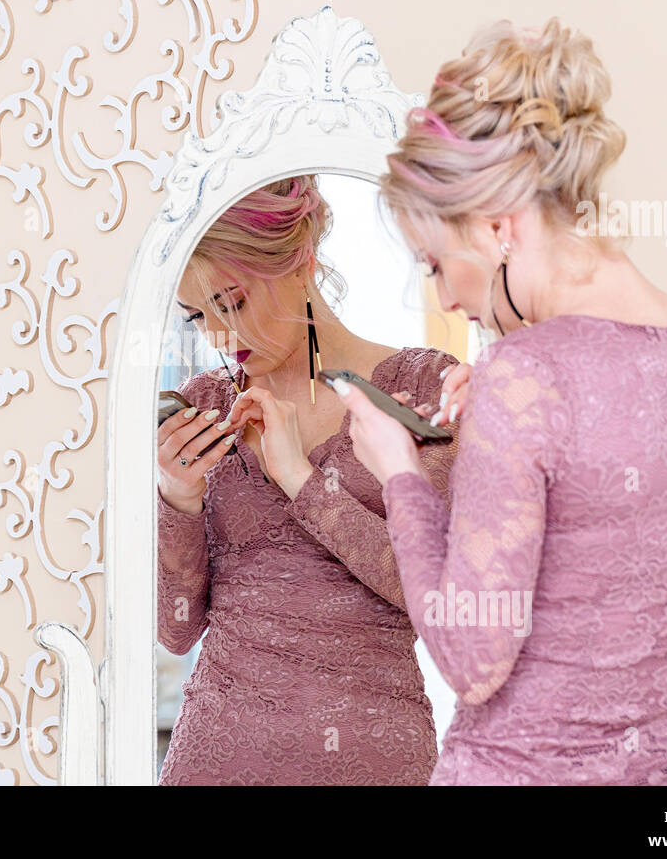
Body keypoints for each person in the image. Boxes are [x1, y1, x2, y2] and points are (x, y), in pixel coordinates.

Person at [332, 17, 667, 784]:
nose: (445, 295)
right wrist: (508, 427)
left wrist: (401, 474)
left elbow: (471, 662)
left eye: (436, 263)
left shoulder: (526, 377)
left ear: (499, 227)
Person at [156, 174, 459, 785]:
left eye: (232, 303)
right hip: (216, 755)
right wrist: (178, 502)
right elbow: (176, 629)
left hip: (374, 758)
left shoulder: (424, 392)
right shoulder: (205, 407)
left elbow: (437, 602)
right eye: (196, 317)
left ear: (301, 263)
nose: (218, 337)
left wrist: (299, 479)